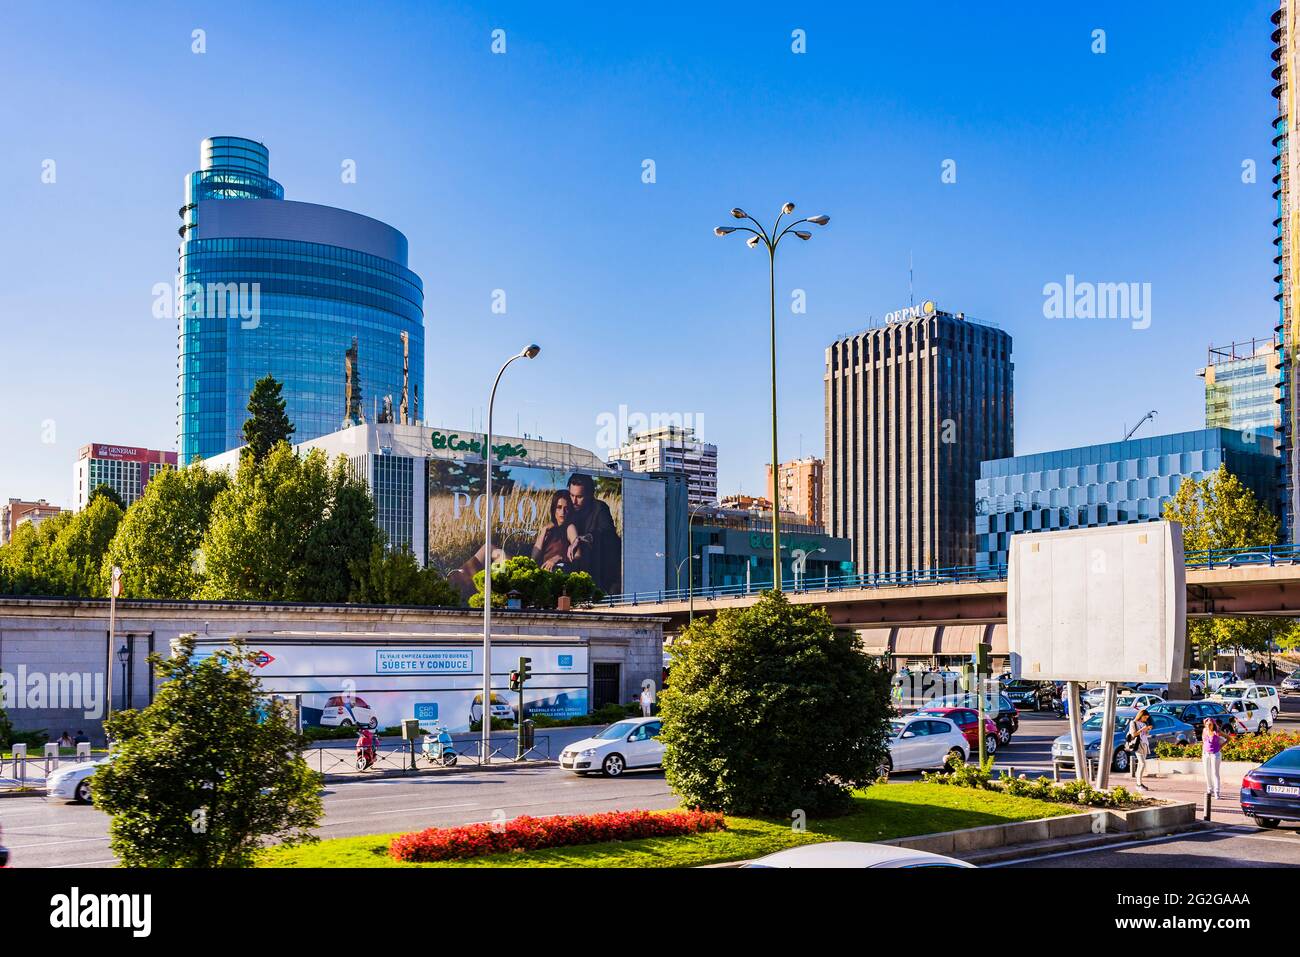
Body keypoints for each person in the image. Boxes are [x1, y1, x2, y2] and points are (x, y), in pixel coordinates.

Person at [565, 473, 622, 593]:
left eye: (579, 497)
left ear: (590, 495)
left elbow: (607, 532)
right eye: (571, 495)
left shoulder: (599, 508)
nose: (574, 501)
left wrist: (581, 539)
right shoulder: (567, 508)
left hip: (603, 572)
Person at [531, 490, 579, 571]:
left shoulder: (570, 527)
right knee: (501, 553)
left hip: (557, 571)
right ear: (553, 509)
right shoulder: (548, 529)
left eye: (566, 508)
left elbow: (578, 556)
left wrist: (559, 558)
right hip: (541, 571)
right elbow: (533, 558)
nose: (562, 512)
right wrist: (544, 530)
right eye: (559, 507)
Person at [1127, 710, 1152, 790]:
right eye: (1145, 717)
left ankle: (1139, 783)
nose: (1145, 719)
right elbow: (1133, 734)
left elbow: (1146, 735)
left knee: (1141, 765)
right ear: (1141, 716)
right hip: (1138, 745)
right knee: (1142, 763)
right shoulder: (1133, 723)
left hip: (1145, 744)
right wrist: (1142, 729)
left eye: (1147, 718)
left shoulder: (1144, 724)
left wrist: (1148, 729)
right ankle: (1139, 784)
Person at [1202, 717, 1224, 800]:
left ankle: (1217, 792)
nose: (1208, 726)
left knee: (1215, 773)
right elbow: (1204, 740)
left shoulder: (1217, 732)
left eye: (1210, 724)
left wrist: (1220, 746)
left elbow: (1228, 738)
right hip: (1206, 754)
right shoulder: (1204, 730)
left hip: (1215, 754)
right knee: (1207, 772)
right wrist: (1204, 750)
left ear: (1213, 725)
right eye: (1207, 724)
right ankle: (1209, 789)